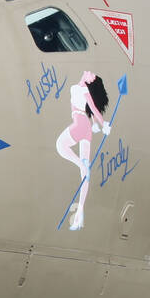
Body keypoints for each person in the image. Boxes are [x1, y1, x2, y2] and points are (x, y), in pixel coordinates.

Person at [56, 72, 110, 230]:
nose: (91, 74)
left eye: (92, 77)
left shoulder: (82, 89)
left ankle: (81, 164)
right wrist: (96, 124)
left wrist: (103, 123)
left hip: (80, 124)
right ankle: (79, 214)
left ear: (89, 82)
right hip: (86, 127)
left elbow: (93, 108)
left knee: (61, 145)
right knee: (85, 175)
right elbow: (91, 110)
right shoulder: (77, 88)